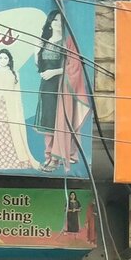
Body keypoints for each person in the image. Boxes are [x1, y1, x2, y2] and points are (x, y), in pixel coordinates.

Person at [34, 9, 90, 172]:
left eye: (60, 21)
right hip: (46, 87)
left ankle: (55, 159)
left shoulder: (68, 41)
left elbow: (75, 65)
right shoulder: (44, 41)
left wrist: (55, 72)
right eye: (54, 21)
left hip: (62, 87)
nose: (58, 24)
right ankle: (48, 156)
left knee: (60, 122)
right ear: (50, 23)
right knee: (47, 123)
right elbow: (39, 65)